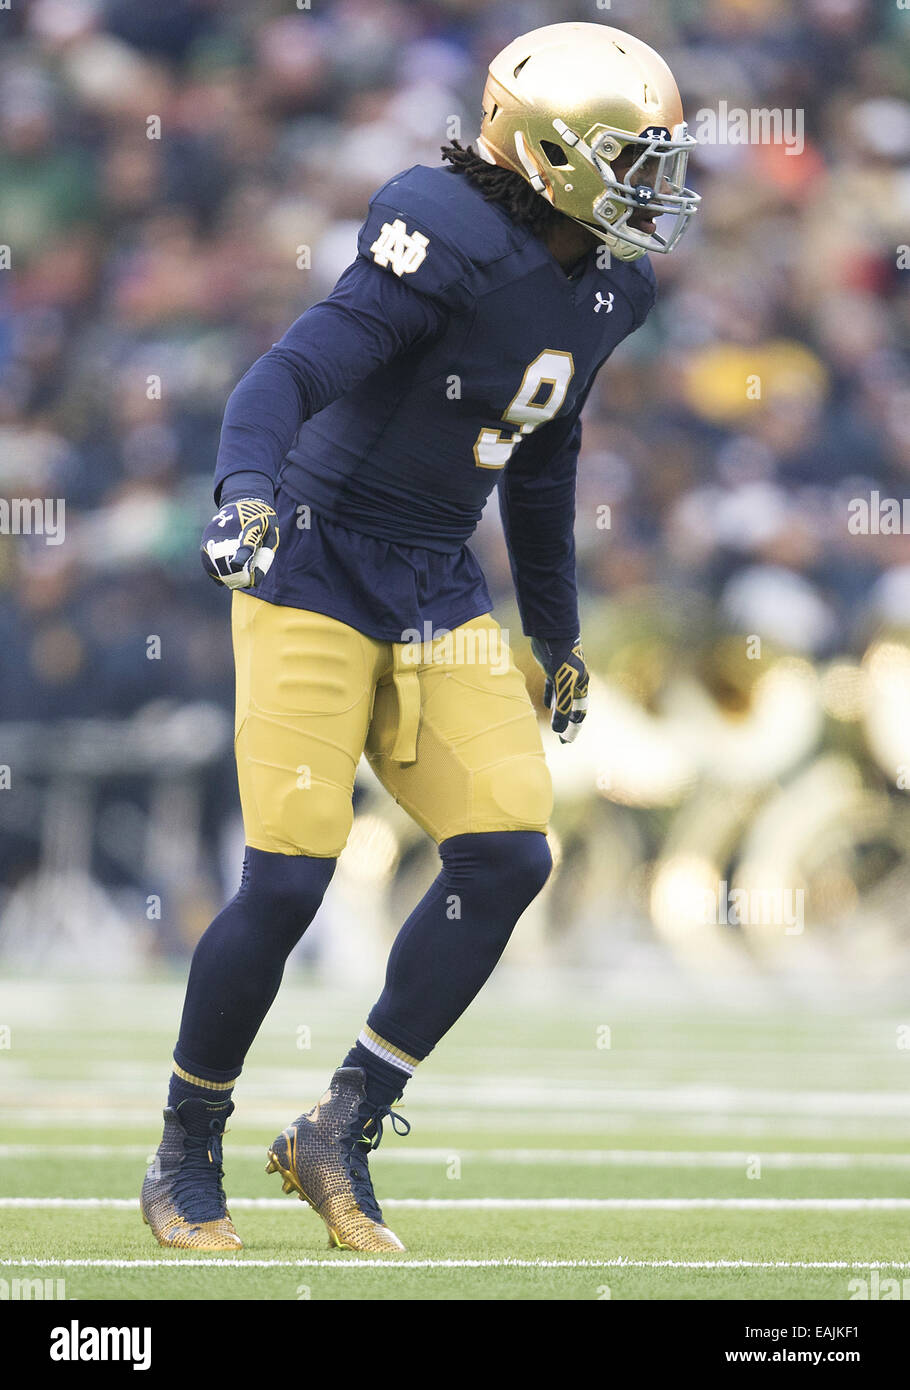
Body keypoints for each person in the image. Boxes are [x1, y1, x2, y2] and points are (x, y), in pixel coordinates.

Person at [141, 20, 699, 1254]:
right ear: (549, 148)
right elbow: (282, 378)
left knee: (506, 854)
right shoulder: (442, 231)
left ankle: (342, 1121)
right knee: (288, 874)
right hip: (316, 561)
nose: (655, 182)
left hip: (437, 584)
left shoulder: (617, 281)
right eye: (630, 155)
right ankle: (185, 1145)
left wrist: (553, 629)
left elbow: (540, 462)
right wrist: (239, 492)